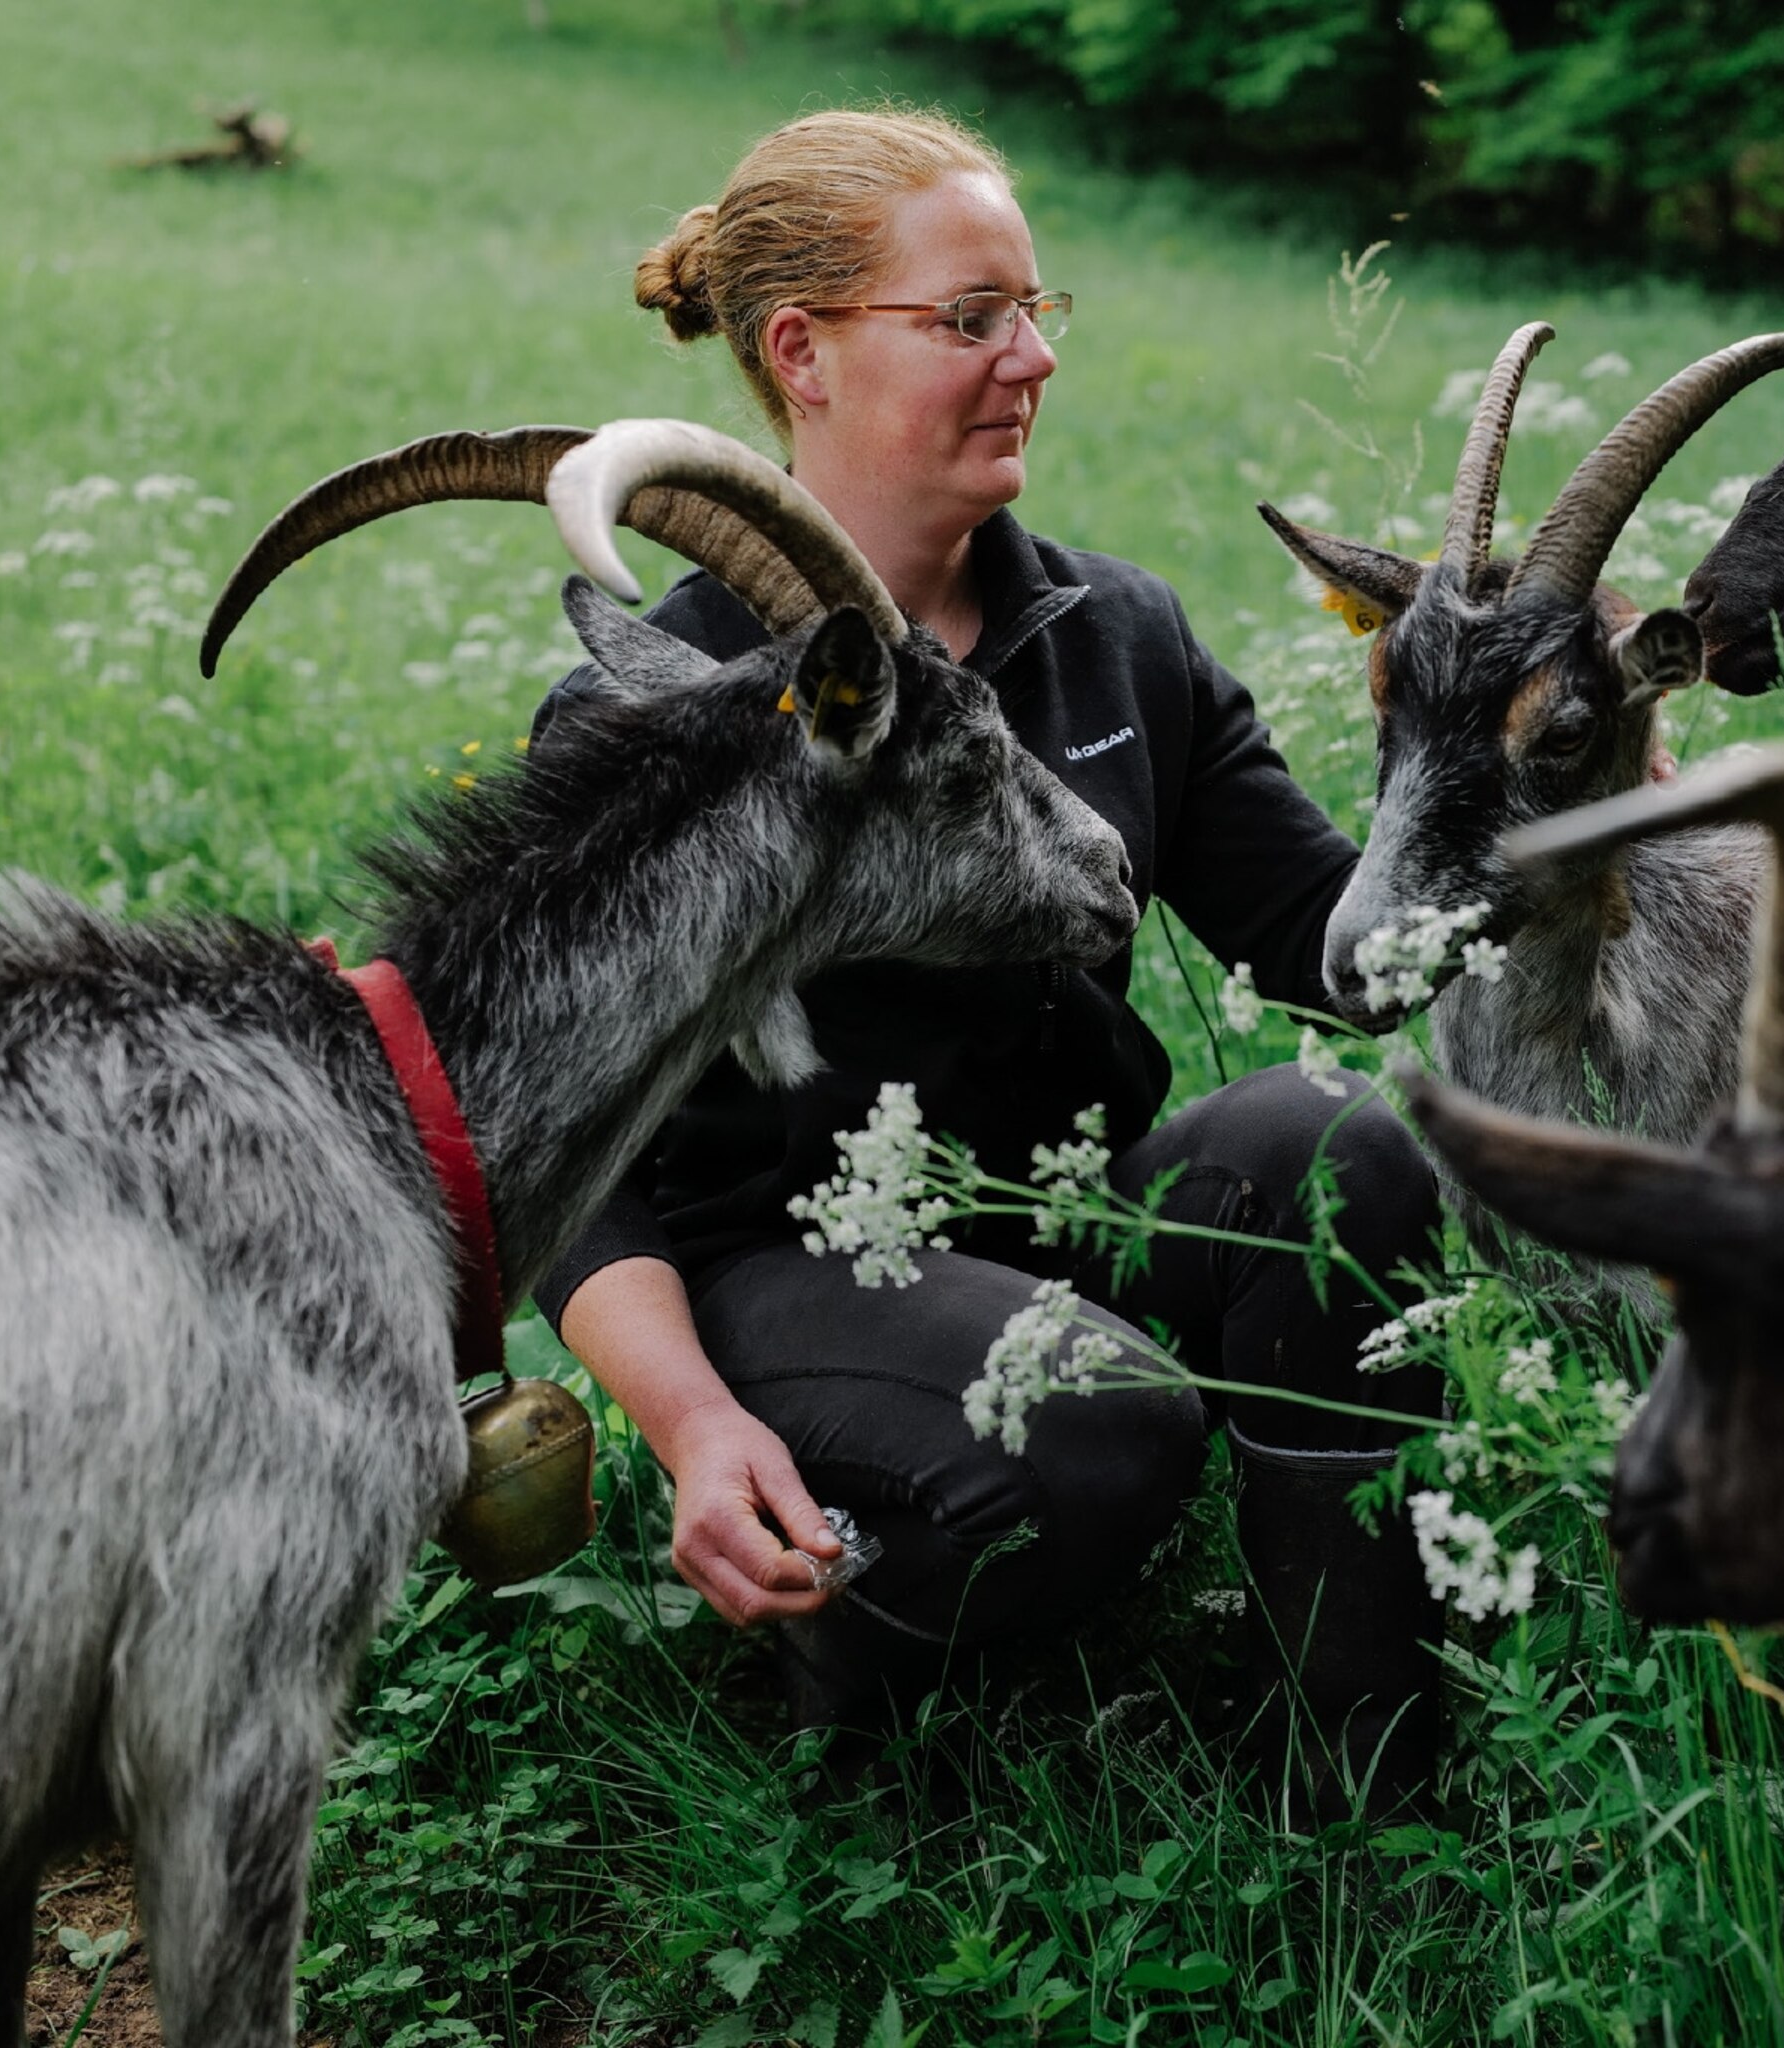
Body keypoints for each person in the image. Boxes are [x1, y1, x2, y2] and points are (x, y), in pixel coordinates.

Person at [533, 108, 1443, 1805]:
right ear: (801, 353)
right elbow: (580, 1167)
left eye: (1038, 311)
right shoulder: (650, 708)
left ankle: (1364, 1763)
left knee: (1348, 1143)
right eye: (972, 317)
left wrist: (1546, 799)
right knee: (1100, 1420)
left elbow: (1354, 963)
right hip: (789, 1281)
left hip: (1071, 1222)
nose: (1029, 358)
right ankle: (847, 1639)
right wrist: (688, 1425)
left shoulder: (1112, 635)